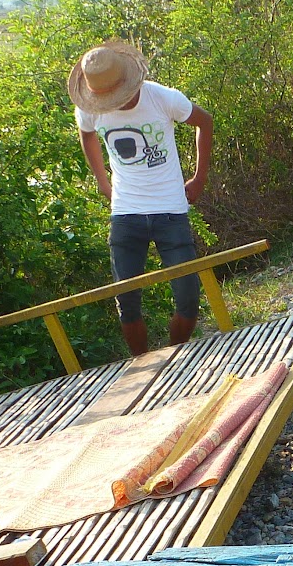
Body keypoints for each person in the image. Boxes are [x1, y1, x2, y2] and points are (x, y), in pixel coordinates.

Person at [71, 41, 215, 355]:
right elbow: (86, 134)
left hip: (170, 209)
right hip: (125, 212)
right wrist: (101, 179)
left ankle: (174, 356)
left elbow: (204, 121)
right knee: (127, 302)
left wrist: (199, 176)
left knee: (188, 299)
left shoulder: (162, 97)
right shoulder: (90, 108)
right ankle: (142, 365)